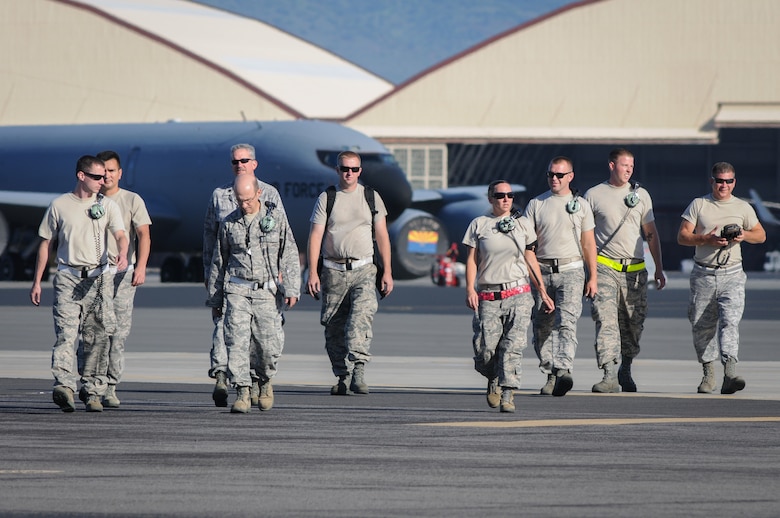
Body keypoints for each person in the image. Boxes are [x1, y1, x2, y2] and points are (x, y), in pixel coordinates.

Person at [30, 155, 128, 412]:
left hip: (98, 279)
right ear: (81, 176)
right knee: (66, 334)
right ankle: (64, 385)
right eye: (96, 177)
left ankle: (93, 390)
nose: (102, 181)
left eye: (104, 176)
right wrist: (37, 281)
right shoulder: (59, 205)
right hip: (68, 277)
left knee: (96, 338)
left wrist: (123, 252)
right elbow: (46, 243)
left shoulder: (107, 205)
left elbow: (121, 234)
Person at [206, 174, 300, 413]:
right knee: (236, 343)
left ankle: (265, 381)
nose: (244, 204)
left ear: (259, 193)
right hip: (237, 290)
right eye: (240, 200)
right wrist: (215, 299)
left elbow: (289, 252)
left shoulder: (275, 219)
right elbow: (219, 261)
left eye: (248, 199)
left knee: (268, 346)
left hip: (266, 291)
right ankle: (242, 392)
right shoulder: (229, 223)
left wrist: (291, 287)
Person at [463, 180, 554, 413]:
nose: (505, 199)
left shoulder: (522, 224)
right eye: (500, 195)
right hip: (488, 295)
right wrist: (470, 289)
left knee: (512, 346)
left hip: (519, 293)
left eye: (509, 195)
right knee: (485, 350)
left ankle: (508, 393)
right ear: (490, 198)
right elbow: (472, 260)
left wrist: (542, 291)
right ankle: (493, 376)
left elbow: (530, 259)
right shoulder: (479, 224)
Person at [306, 151, 393, 396]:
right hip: (333, 271)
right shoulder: (327, 198)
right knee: (333, 327)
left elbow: (382, 235)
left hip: (364, 269)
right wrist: (312, 272)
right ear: (337, 170)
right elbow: (315, 236)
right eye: (345, 168)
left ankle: (358, 370)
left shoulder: (371, 197)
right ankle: (342, 375)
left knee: (360, 319)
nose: (349, 173)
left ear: (360, 171)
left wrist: (387, 271)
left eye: (354, 169)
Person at [677, 162, 765, 394]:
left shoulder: (742, 207)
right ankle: (708, 374)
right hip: (703, 274)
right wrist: (707, 239)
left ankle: (730, 371)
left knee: (730, 322)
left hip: (732, 274)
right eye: (719, 181)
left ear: (734, 182)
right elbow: (683, 236)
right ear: (712, 181)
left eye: (728, 181)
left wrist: (744, 235)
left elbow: (761, 235)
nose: (723, 185)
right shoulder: (699, 204)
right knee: (701, 326)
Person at [584, 148, 666, 393]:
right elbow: (586, 237)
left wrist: (659, 268)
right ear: (612, 166)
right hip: (605, 266)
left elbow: (650, 233)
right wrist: (591, 274)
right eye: (624, 165)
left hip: (635, 269)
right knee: (606, 321)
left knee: (633, 323)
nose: (629, 169)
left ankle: (625, 368)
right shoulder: (593, 195)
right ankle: (609, 374)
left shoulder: (641, 195)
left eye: (631, 165)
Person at [524, 157, 597, 397]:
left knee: (567, 322)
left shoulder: (581, 205)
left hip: (571, 270)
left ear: (570, 177)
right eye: (551, 174)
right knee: (541, 327)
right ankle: (550, 372)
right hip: (542, 271)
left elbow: (589, 244)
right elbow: (527, 246)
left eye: (559, 175)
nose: (554, 179)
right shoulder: (536, 204)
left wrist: (593, 277)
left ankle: (563, 370)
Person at [90, 150, 151, 408]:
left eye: (112, 171)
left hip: (123, 275)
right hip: (94, 275)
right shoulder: (88, 201)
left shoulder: (132, 200)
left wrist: (141, 267)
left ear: (120, 173)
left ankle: (111, 386)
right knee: (94, 333)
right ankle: (92, 385)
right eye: (102, 171)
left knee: (118, 334)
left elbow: (144, 234)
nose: (107, 176)